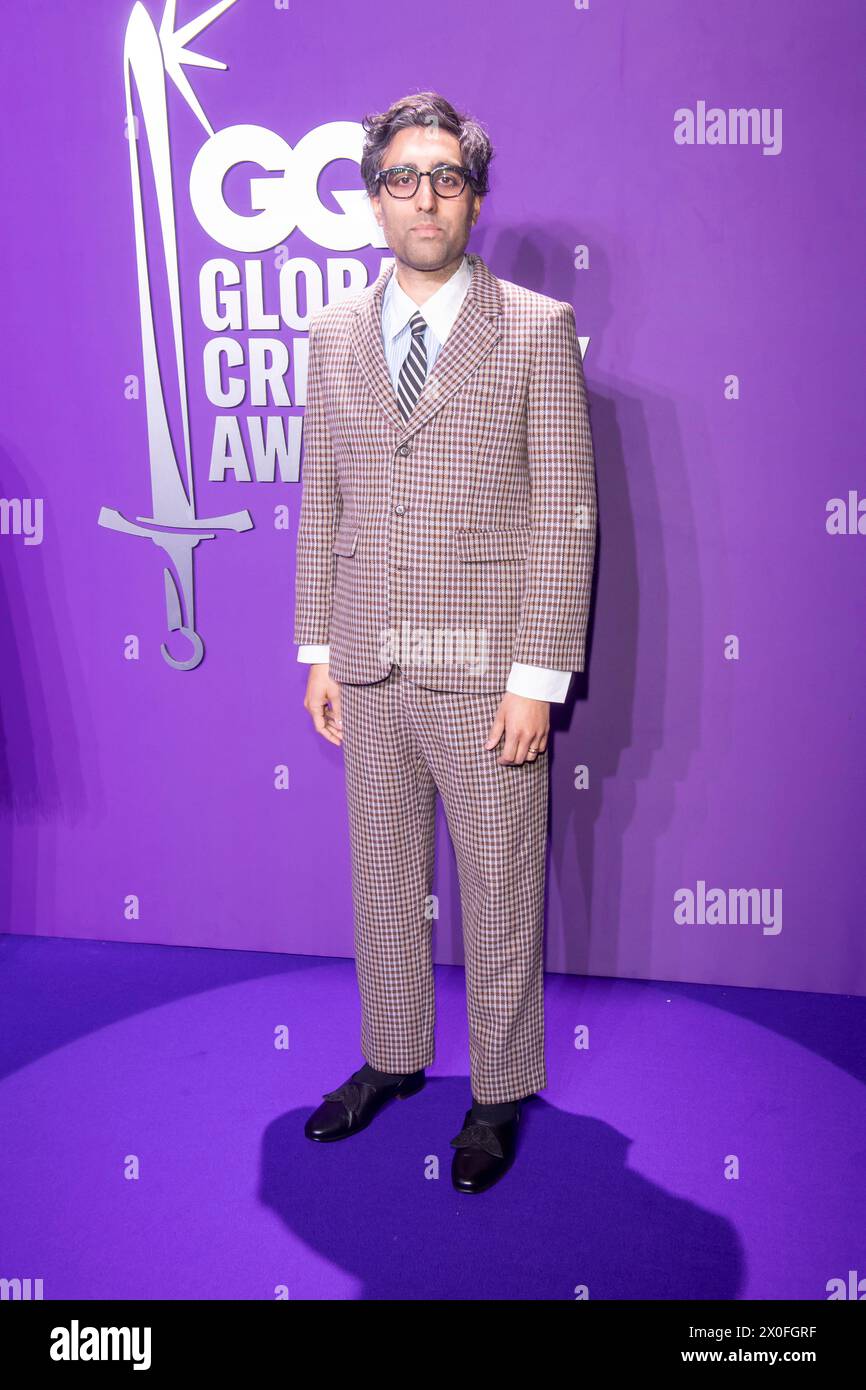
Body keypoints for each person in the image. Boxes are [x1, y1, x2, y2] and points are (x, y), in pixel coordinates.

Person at [293, 91, 597, 1194]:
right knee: (380, 880)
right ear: (372, 196)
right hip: (367, 662)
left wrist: (536, 677)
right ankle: (390, 1057)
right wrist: (317, 649)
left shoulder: (533, 328)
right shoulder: (330, 333)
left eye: (445, 177)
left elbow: (568, 511)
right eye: (401, 178)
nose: (423, 197)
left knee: (501, 884)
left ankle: (499, 1089)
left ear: (472, 196)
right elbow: (319, 501)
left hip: (487, 677)